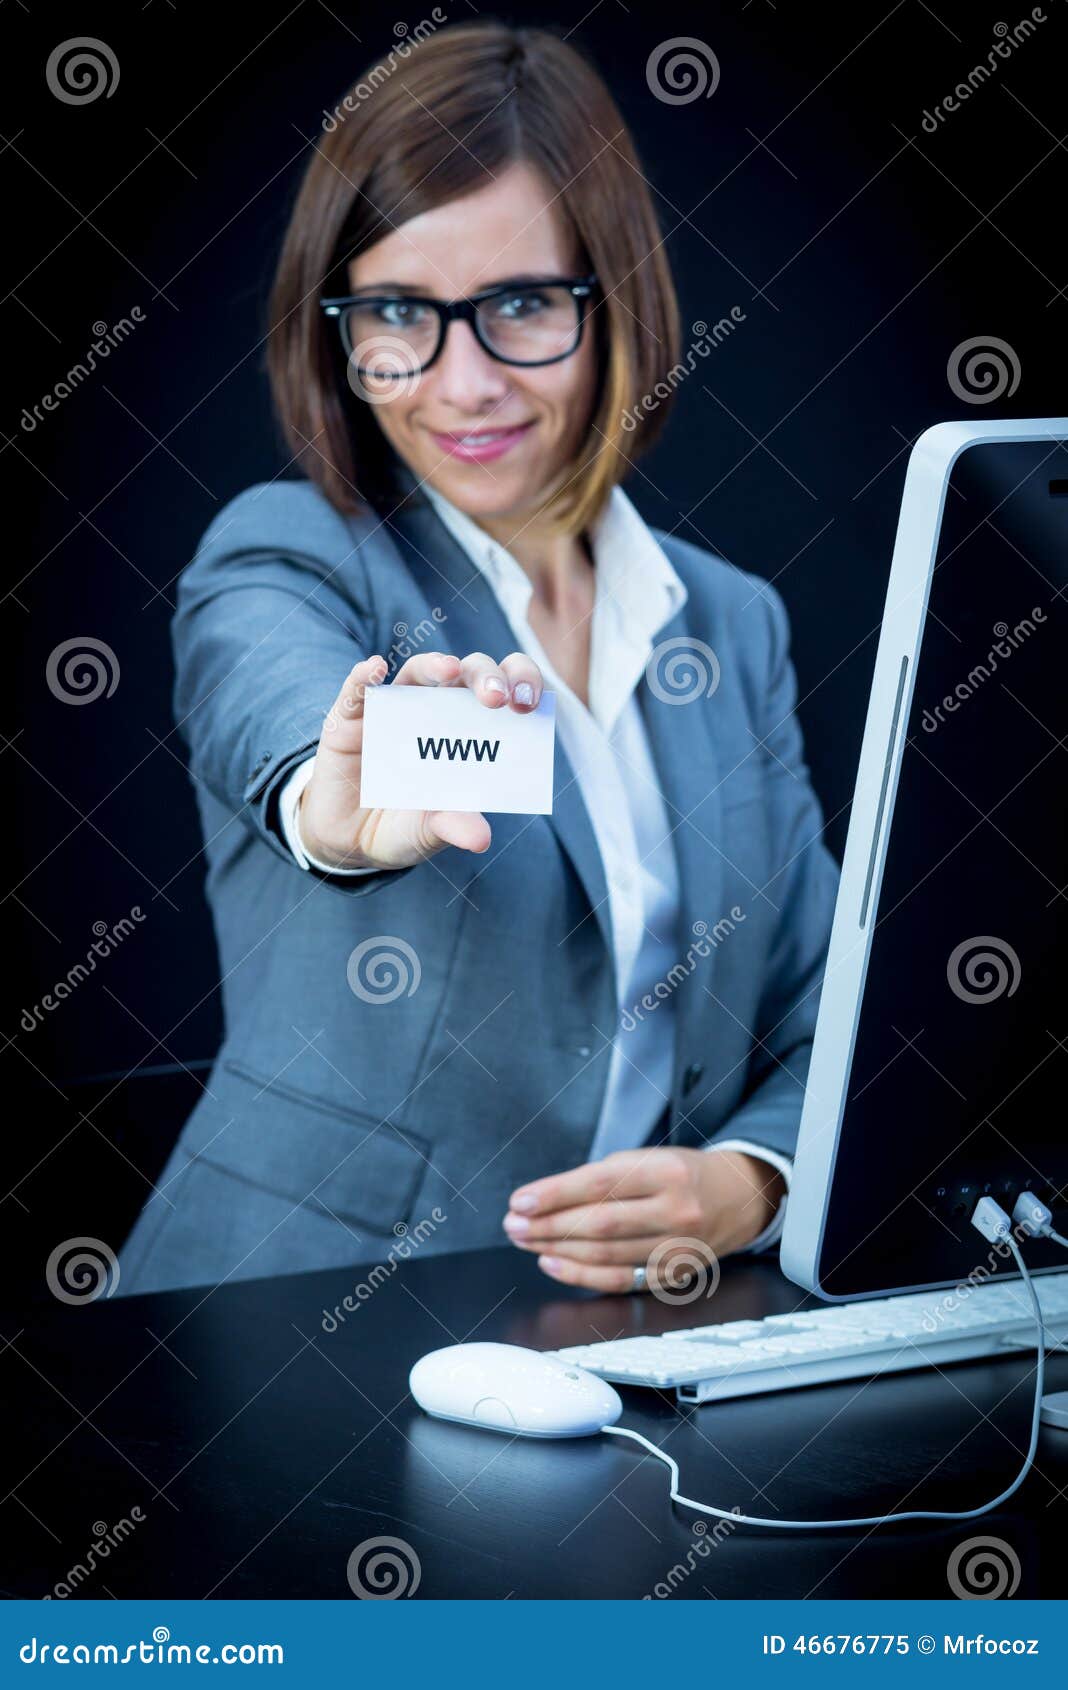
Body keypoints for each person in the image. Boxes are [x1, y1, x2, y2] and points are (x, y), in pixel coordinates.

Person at [119, 21, 839, 1297]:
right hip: (284, 1331)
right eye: (399, 312)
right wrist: (328, 807)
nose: (461, 384)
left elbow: (826, 1002)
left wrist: (750, 1178)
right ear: (341, 331)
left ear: (615, 300)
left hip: (629, 1352)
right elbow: (269, 706)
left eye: (518, 304)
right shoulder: (291, 553)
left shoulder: (731, 626)